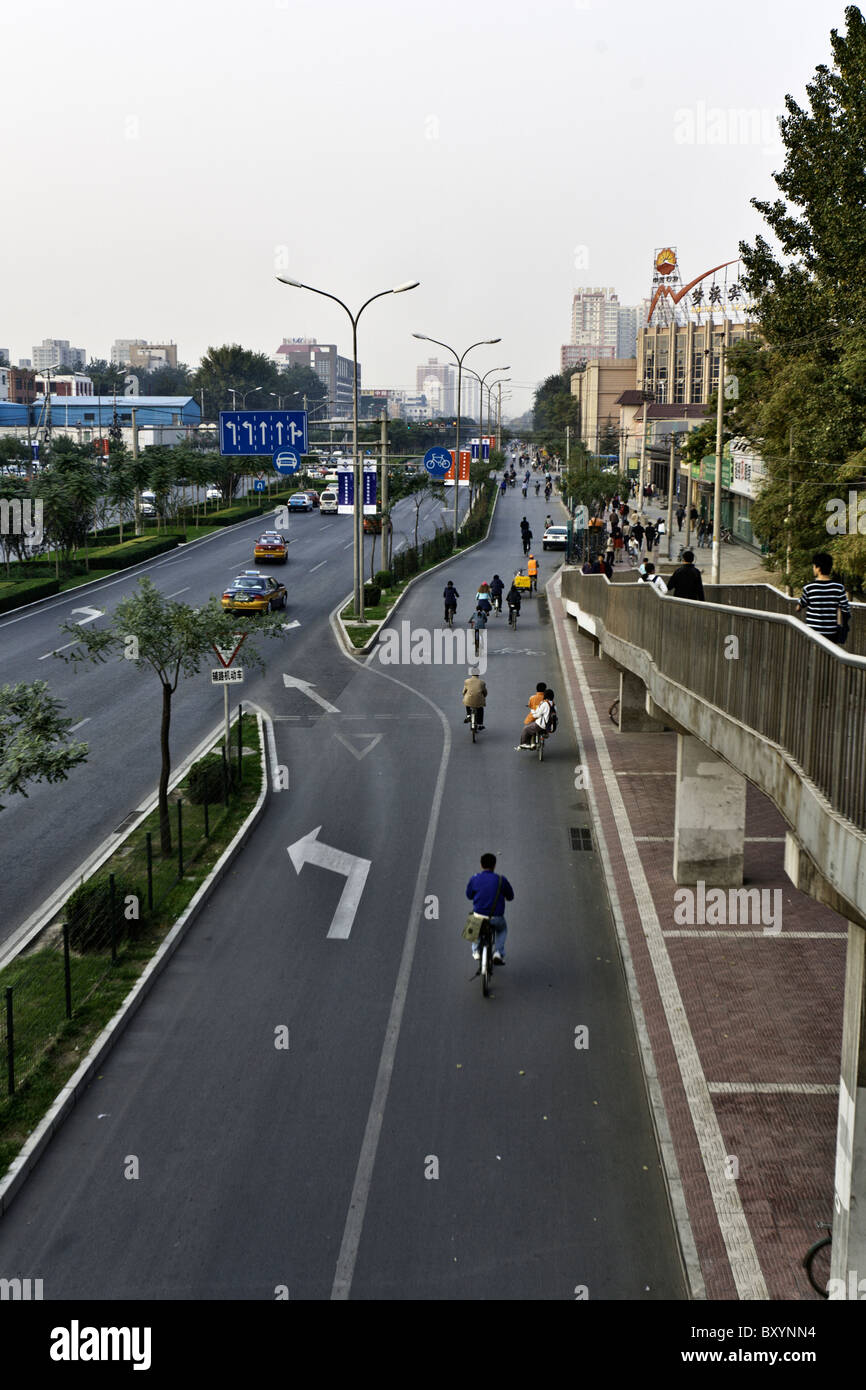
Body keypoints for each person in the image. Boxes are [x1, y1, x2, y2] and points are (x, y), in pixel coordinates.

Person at [465, 852, 514, 964]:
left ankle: (475, 951)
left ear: (481, 865)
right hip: (496, 917)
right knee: (502, 930)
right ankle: (498, 952)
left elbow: (468, 895)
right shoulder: (501, 880)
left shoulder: (474, 878)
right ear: (494, 865)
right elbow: (510, 896)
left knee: (472, 923)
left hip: (478, 916)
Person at [796, 552, 851, 644]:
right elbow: (845, 609)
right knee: (828, 657)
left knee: (813, 656)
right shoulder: (838, 587)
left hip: (812, 632)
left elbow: (800, 605)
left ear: (818, 568)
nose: (813, 569)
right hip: (831, 632)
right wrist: (843, 625)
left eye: (814, 566)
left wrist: (799, 606)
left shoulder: (809, 587)